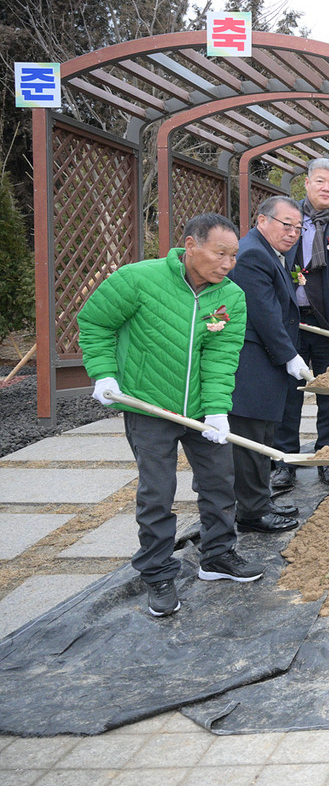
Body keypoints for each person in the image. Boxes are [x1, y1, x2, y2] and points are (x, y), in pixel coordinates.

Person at [78, 213, 265, 617]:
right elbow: (95, 323)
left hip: (199, 410)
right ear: (191, 245)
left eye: (234, 256)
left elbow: (221, 357)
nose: (228, 263)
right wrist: (104, 372)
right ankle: (158, 572)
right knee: (156, 491)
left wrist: (217, 411)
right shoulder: (138, 279)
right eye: (220, 253)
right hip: (149, 404)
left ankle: (217, 556)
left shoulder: (231, 297)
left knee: (219, 482)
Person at [271, 158, 329, 491]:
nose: (326, 188)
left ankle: (328, 456)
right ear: (307, 183)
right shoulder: (285, 219)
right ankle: (285, 461)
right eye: (320, 181)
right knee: (287, 394)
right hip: (289, 323)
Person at [227, 196, 307, 533]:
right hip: (251, 362)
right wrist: (290, 355)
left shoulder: (270, 253)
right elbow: (264, 313)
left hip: (264, 362)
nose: (292, 233)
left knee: (262, 436)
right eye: (285, 224)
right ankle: (251, 512)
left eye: (298, 228)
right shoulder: (253, 254)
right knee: (249, 439)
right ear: (262, 221)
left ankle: (259, 502)